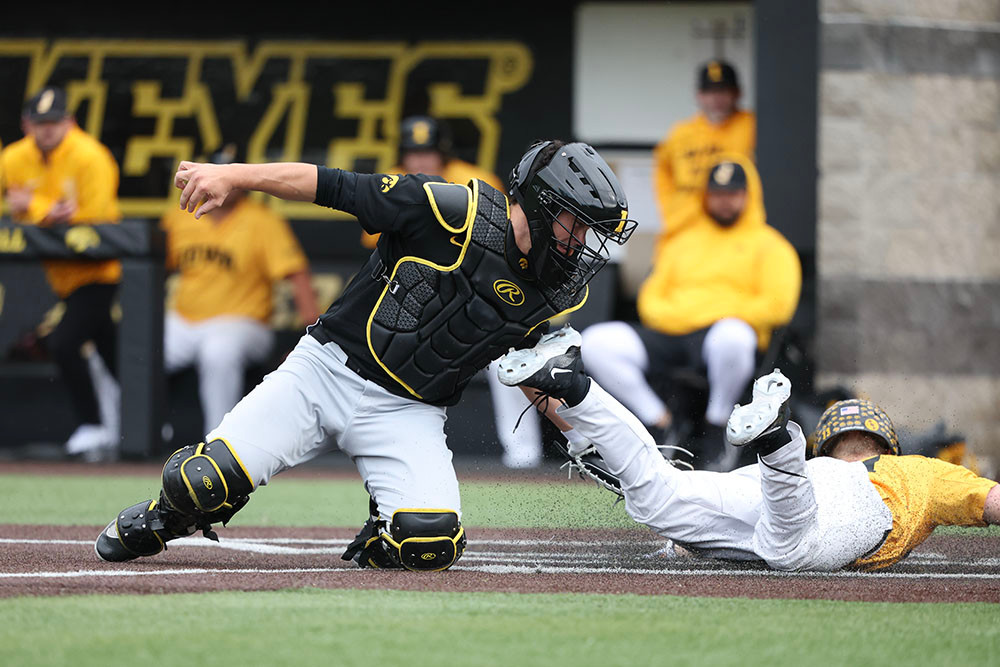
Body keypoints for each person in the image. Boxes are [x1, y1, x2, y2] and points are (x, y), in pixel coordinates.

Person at [94, 140, 636, 571]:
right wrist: (235, 175)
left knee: (430, 545)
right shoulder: (449, 210)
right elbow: (332, 185)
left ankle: (384, 523)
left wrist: (599, 446)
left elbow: (532, 374)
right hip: (324, 372)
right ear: (542, 208)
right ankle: (162, 520)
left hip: (409, 412)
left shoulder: (555, 289)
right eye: (577, 222)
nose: (584, 241)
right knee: (203, 483)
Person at [497, 327, 1000, 572]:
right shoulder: (912, 469)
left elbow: (692, 534)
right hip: (839, 506)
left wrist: (684, 535)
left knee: (657, 497)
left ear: (829, 441)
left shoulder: (825, 463)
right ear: (884, 443)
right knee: (790, 549)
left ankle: (576, 388)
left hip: (766, 487)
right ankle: (778, 441)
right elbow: (993, 503)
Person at [581, 156, 800, 470]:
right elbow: (650, 301)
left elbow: (778, 306)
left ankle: (718, 426)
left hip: (724, 341)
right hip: (672, 336)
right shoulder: (681, 240)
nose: (724, 201)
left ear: (748, 195)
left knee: (733, 335)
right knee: (596, 342)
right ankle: (660, 423)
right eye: (717, 193)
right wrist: (695, 316)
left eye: (732, 193)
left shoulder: (771, 246)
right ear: (706, 195)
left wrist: (703, 312)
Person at [363, 116, 542, 468]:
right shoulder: (393, 181)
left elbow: (504, 241)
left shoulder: (475, 179)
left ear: (442, 153)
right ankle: (397, 455)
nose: (421, 161)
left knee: (506, 355)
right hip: (422, 299)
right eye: (414, 154)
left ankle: (525, 456)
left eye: (428, 152)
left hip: (477, 295)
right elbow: (373, 240)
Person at [161, 145, 320, 435]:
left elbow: (297, 276)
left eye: (228, 171)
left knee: (218, 351)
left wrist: (310, 336)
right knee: (131, 345)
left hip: (242, 323)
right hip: (183, 321)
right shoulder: (180, 215)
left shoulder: (262, 220)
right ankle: (116, 433)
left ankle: (218, 441)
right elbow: (155, 269)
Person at [0, 86, 122, 458]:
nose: (47, 130)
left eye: (55, 123)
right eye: (40, 123)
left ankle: (92, 425)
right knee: (114, 353)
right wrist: (49, 211)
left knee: (65, 342)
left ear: (70, 122)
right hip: (60, 276)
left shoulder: (91, 157)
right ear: (26, 124)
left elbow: (97, 219)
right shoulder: (14, 158)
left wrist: (36, 207)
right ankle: (154, 420)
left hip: (100, 272)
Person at [652, 59, 755, 246]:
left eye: (723, 91)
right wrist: (669, 208)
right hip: (683, 227)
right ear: (698, 95)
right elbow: (662, 170)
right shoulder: (681, 133)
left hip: (731, 228)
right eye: (709, 92)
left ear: (737, 93)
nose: (716, 99)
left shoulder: (750, 126)